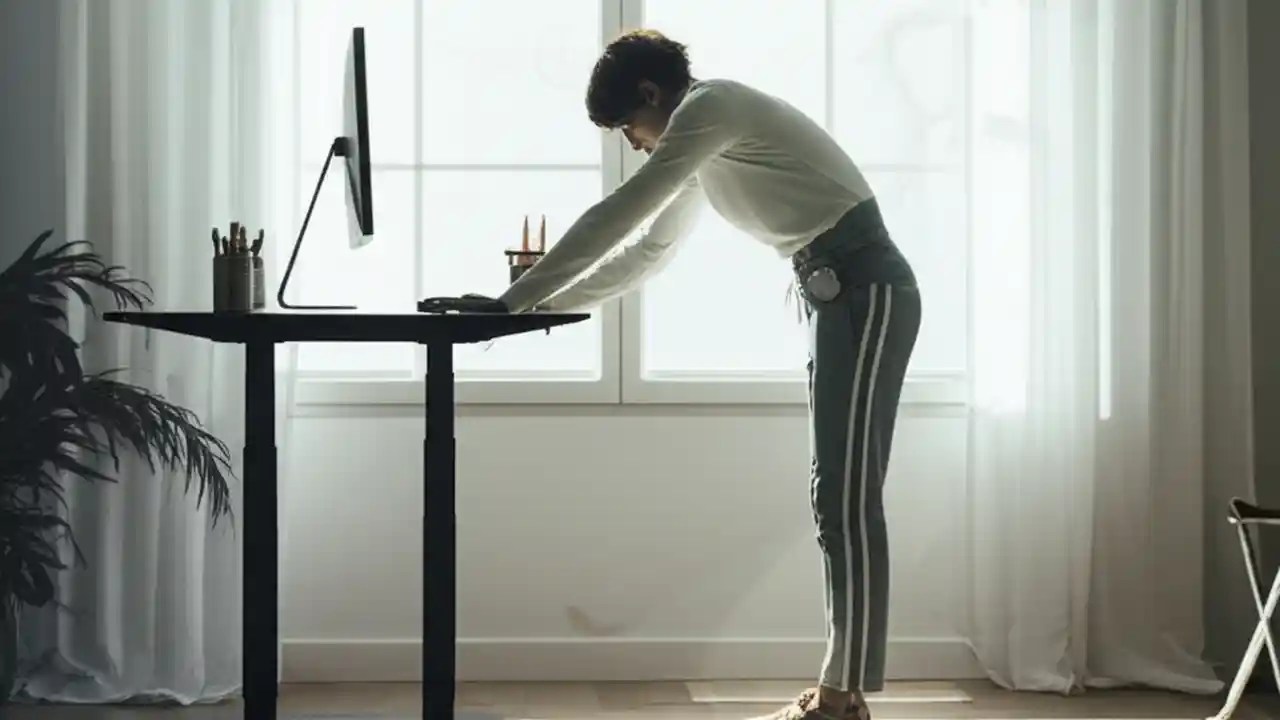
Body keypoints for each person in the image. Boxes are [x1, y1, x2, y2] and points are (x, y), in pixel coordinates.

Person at [471, 29, 921, 720]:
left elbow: (621, 212)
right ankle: (841, 695)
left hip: (865, 290)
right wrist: (535, 307)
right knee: (832, 493)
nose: (630, 142)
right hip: (833, 297)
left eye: (627, 125)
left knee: (846, 496)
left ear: (652, 94)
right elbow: (647, 253)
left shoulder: (713, 107)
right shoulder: (708, 147)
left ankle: (841, 700)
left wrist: (511, 301)